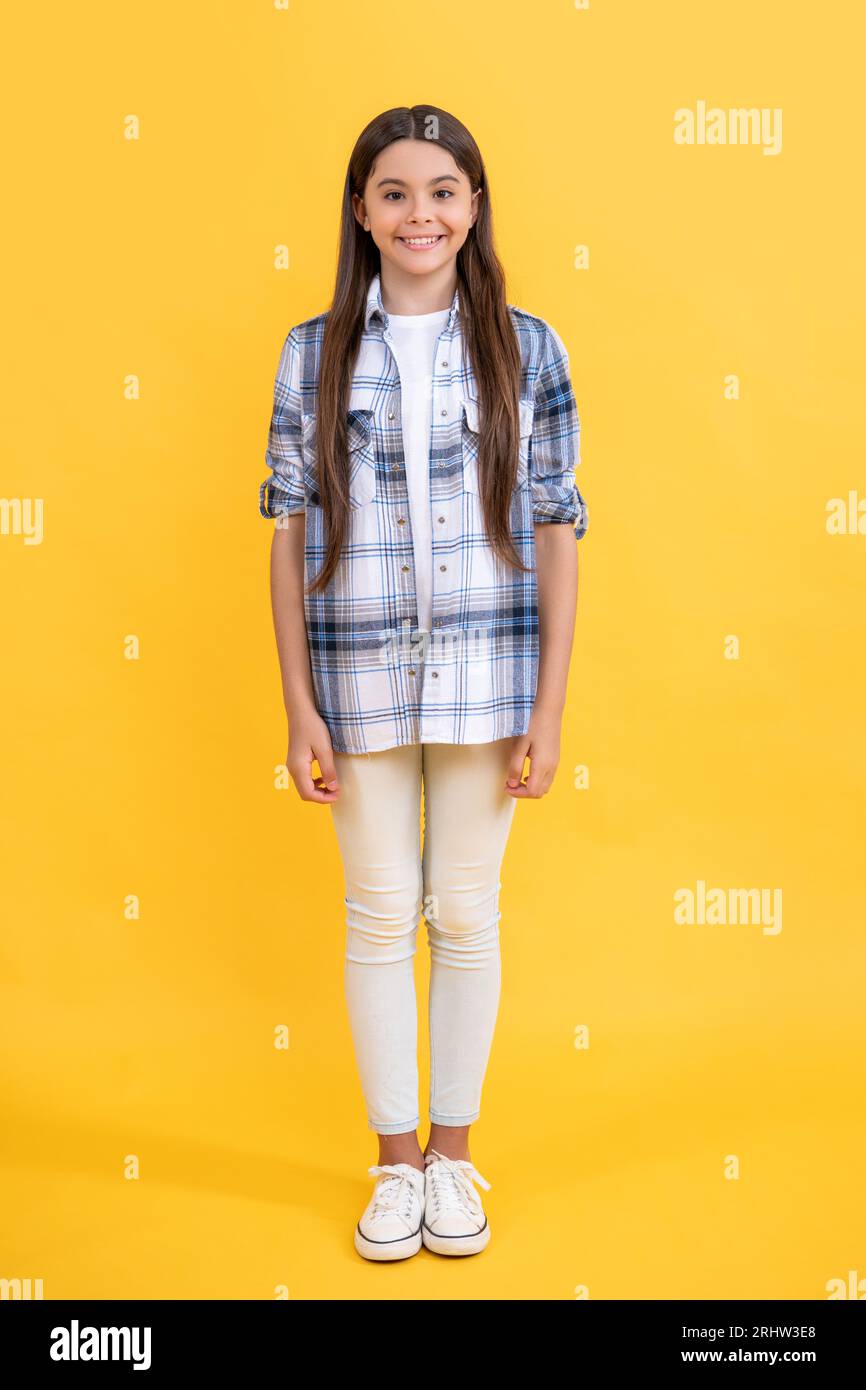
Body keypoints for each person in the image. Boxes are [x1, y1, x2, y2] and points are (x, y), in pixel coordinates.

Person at [260, 105, 589, 1262]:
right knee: (375, 911)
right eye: (394, 192)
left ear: (474, 206)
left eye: (443, 191)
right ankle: (393, 1165)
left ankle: (453, 1158)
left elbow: (556, 530)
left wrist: (546, 709)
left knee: (464, 910)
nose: (420, 213)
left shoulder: (526, 347)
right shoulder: (314, 352)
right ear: (361, 209)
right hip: (353, 678)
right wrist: (298, 705)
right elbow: (290, 534)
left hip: (488, 678)